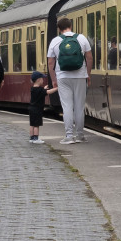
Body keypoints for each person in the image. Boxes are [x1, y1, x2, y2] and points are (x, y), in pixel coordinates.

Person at [47, 15, 92, 144]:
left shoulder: (55, 41)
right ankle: (80, 135)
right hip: (80, 76)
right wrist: (88, 74)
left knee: (67, 107)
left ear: (59, 29)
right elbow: (89, 58)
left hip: (63, 77)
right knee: (79, 107)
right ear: (70, 26)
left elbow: (51, 63)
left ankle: (68, 136)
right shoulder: (81, 38)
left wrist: (53, 79)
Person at [26, 71, 48, 144]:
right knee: (36, 125)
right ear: (38, 80)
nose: (43, 80)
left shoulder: (32, 88)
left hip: (31, 108)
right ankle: (36, 138)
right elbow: (48, 92)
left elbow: (41, 91)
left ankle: (31, 138)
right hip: (38, 109)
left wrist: (44, 88)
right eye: (42, 78)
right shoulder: (40, 90)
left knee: (32, 124)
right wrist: (57, 88)